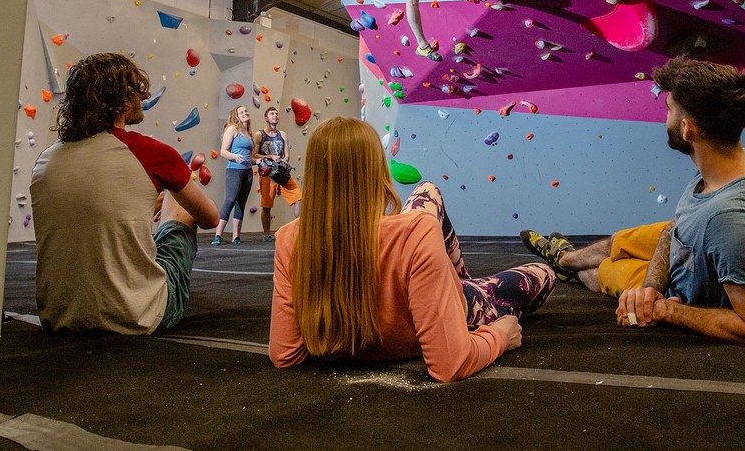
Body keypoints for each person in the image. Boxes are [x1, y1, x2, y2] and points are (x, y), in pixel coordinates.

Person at [520, 57, 745, 348]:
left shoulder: (734, 222)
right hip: (691, 245)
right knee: (627, 239)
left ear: (688, 129)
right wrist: (651, 286)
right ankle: (564, 260)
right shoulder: (730, 164)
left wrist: (664, 308)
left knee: (607, 270)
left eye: (669, 111)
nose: (665, 119)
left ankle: (577, 271)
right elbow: (680, 227)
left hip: (687, 282)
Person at [269, 117, 556, 382]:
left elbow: (285, 353)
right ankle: (458, 286)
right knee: (543, 273)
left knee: (427, 191)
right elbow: (450, 363)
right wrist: (499, 337)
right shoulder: (415, 233)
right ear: (376, 173)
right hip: (456, 304)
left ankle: (456, 281)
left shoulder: (289, 239)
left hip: (420, 278)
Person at [30, 53, 219, 334]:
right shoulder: (152, 153)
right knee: (181, 208)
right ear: (124, 100)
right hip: (134, 315)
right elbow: (210, 218)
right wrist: (167, 196)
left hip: (58, 316)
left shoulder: (45, 160)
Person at [254, 106, 301, 242]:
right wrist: (270, 157)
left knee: (297, 196)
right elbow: (254, 154)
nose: (275, 116)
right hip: (267, 173)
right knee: (267, 205)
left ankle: (298, 227)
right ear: (266, 118)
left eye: (276, 114)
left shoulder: (283, 135)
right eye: (272, 114)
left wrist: (284, 161)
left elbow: (287, 154)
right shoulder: (259, 135)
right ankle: (267, 233)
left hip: (281, 172)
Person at [212, 105, 256, 245]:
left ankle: (236, 236)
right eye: (241, 112)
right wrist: (235, 157)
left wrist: (258, 161)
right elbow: (223, 151)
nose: (245, 113)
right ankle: (218, 234)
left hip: (247, 171)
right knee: (230, 200)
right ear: (236, 115)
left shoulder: (249, 133)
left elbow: (249, 157)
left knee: (241, 203)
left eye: (246, 111)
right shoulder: (232, 129)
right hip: (234, 170)